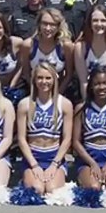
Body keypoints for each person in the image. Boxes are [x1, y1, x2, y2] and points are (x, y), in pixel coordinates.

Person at [16, 61, 75, 195]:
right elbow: (21, 139)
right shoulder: (25, 104)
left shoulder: (64, 104)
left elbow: (67, 139)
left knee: (52, 191)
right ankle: (26, 176)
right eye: (40, 78)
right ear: (34, 80)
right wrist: (34, 165)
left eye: (48, 78)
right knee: (36, 190)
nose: (44, 82)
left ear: (54, 80)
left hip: (54, 157)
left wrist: (54, 164)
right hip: (33, 157)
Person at [72, 68, 106, 192]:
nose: (102, 87)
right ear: (91, 86)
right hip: (88, 159)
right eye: (97, 84)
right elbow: (75, 142)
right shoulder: (82, 108)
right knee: (93, 188)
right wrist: (92, 163)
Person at [19, 8, 72, 100]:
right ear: (39, 24)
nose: (48, 28)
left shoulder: (65, 46)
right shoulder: (28, 45)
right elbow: (26, 73)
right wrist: (36, 93)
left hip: (58, 91)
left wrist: (57, 95)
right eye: (44, 23)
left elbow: (69, 75)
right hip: (33, 91)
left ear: (58, 26)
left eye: (52, 25)